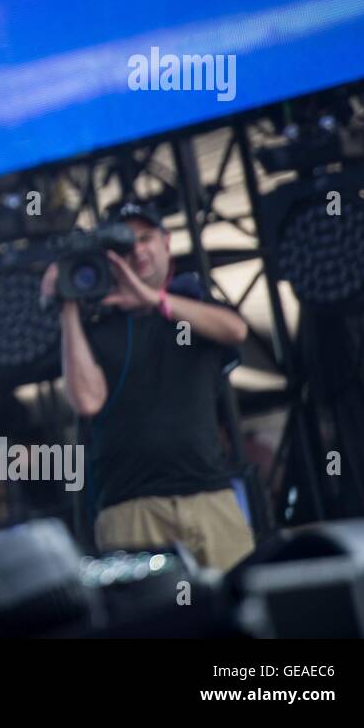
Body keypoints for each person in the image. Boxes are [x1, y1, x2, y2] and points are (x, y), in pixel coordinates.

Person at [41, 201, 255, 570]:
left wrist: (154, 300)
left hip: (210, 498)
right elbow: (87, 401)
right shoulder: (98, 326)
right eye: (126, 245)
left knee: (241, 611)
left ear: (166, 243)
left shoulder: (193, 302)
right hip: (132, 508)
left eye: (146, 238)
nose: (137, 250)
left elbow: (236, 330)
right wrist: (67, 303)